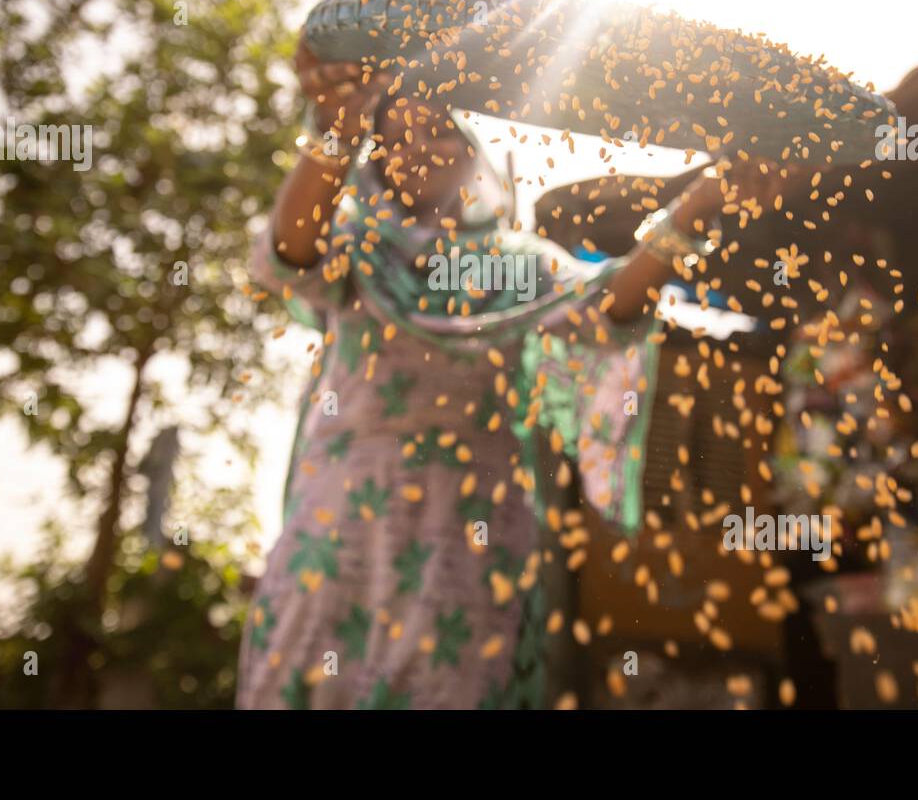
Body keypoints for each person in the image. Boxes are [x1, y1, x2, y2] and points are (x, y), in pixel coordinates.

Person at [236, 40, 795, 708]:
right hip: (343, 517)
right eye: (394, 132)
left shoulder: (516, 266)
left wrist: (701, 203)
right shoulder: (353, 246)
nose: (419, 145)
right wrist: (333, 130)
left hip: (470, 527)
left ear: (471, 153)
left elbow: (609, 309)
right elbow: (286, 255)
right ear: (371, 155)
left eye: (439, 129)